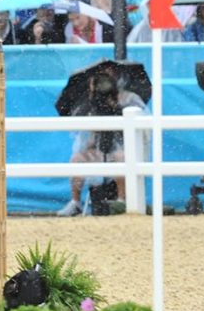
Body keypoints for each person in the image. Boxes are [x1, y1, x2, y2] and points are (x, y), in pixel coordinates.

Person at [56, 64, 147, 216]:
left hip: (124, 148)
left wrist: (116, 108)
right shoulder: (89, 101)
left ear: (118, 77)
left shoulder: (130, 98)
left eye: (108, 76)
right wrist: (94, 101)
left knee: (121, 157)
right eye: (100, 77)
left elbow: (141, 129)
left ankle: (121, 200)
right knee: (77, 159)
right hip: (98, 149)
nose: (105, 81)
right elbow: (83, 136)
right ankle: (76, 202)